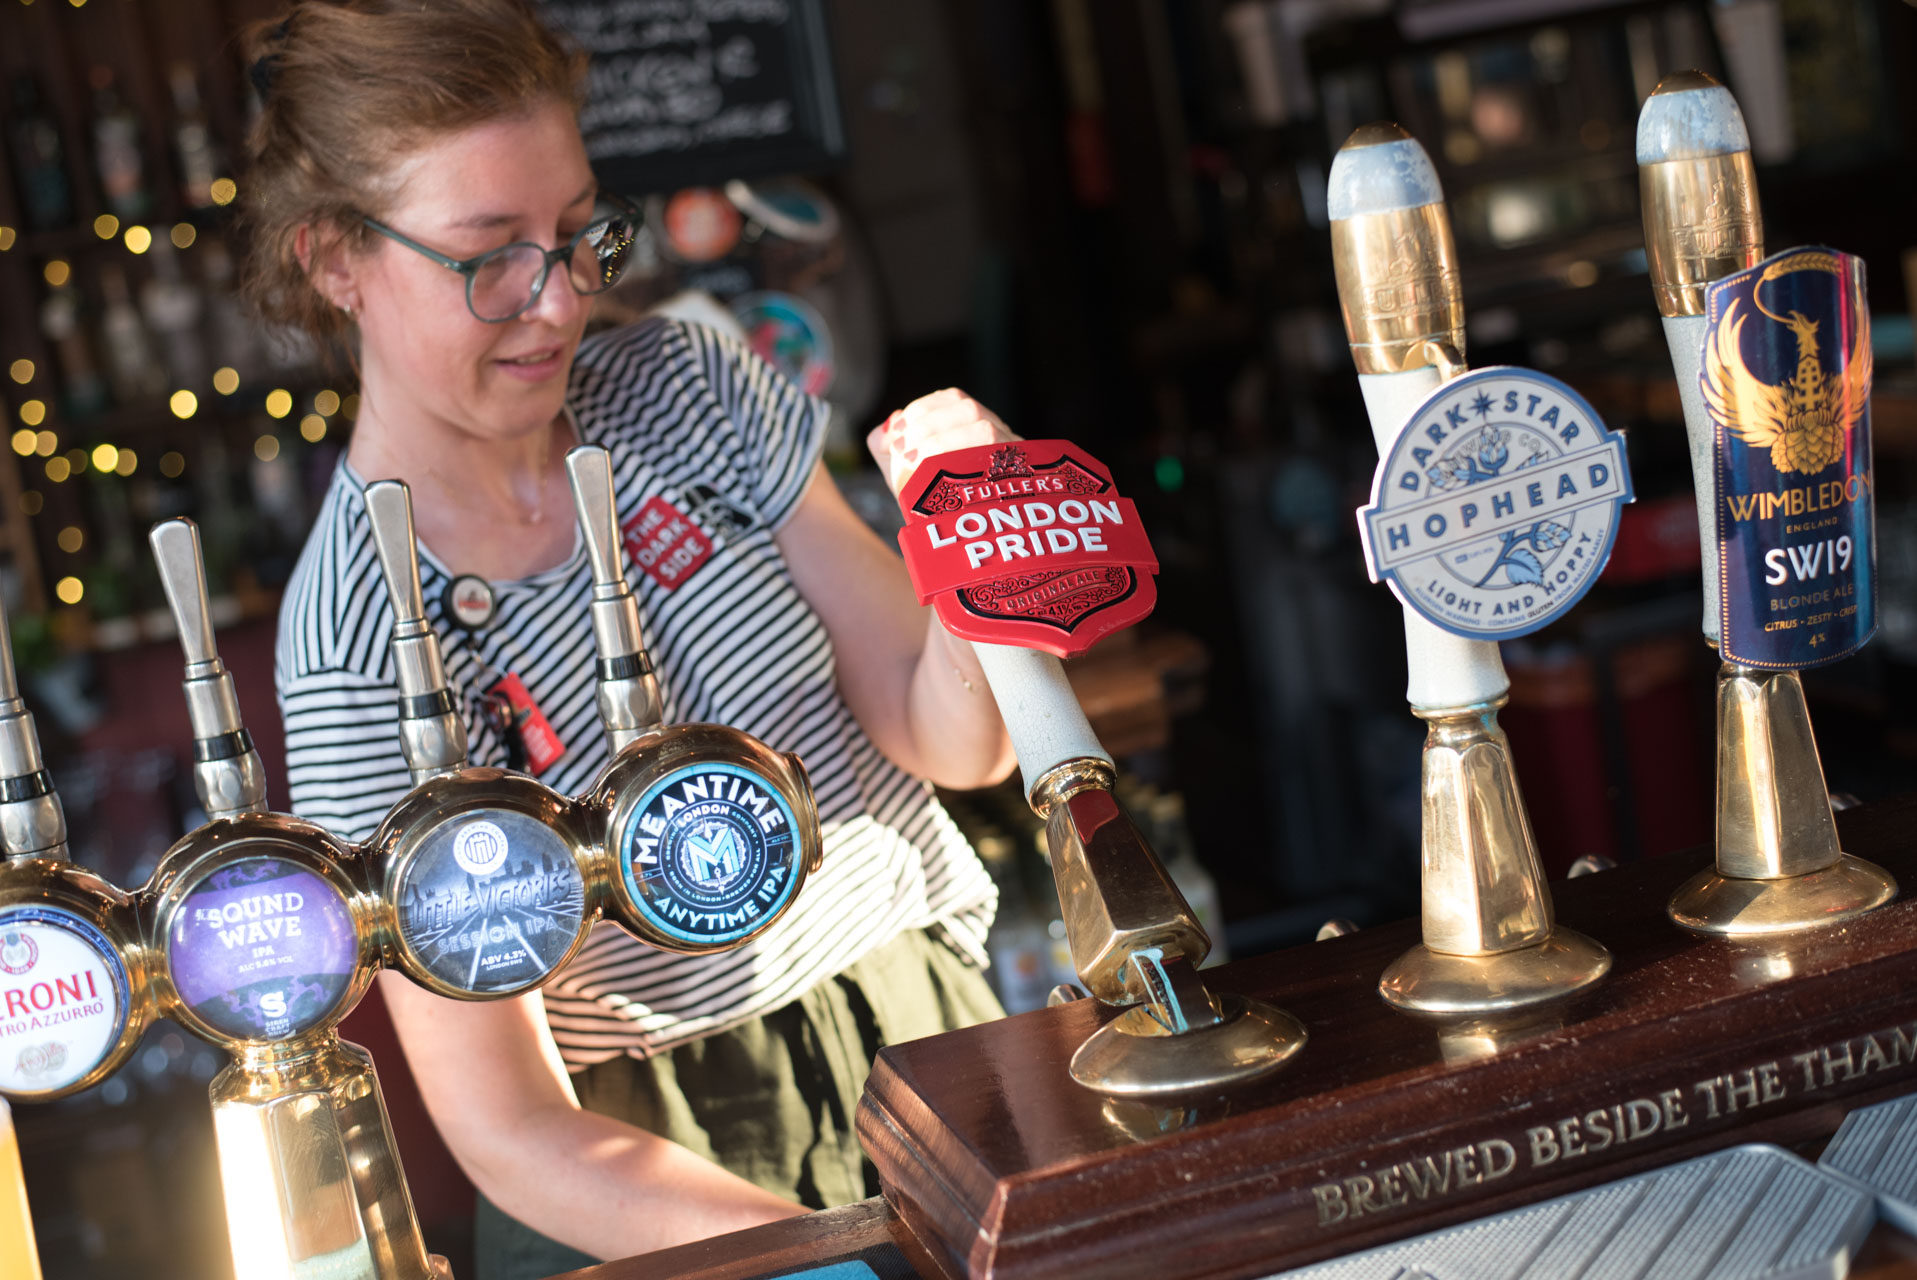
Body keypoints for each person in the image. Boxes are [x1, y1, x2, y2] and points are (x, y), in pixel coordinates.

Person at [243, 3, 1016, 1274]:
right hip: (654, 1165)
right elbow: (512, 1128)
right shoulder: (356, 637)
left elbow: (951, 737)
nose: (558, 299)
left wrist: (985, 569)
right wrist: (826, 1256)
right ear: (335, 258)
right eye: (489, 256)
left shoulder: (691, 388)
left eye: (576, 231)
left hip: (923, 1038)